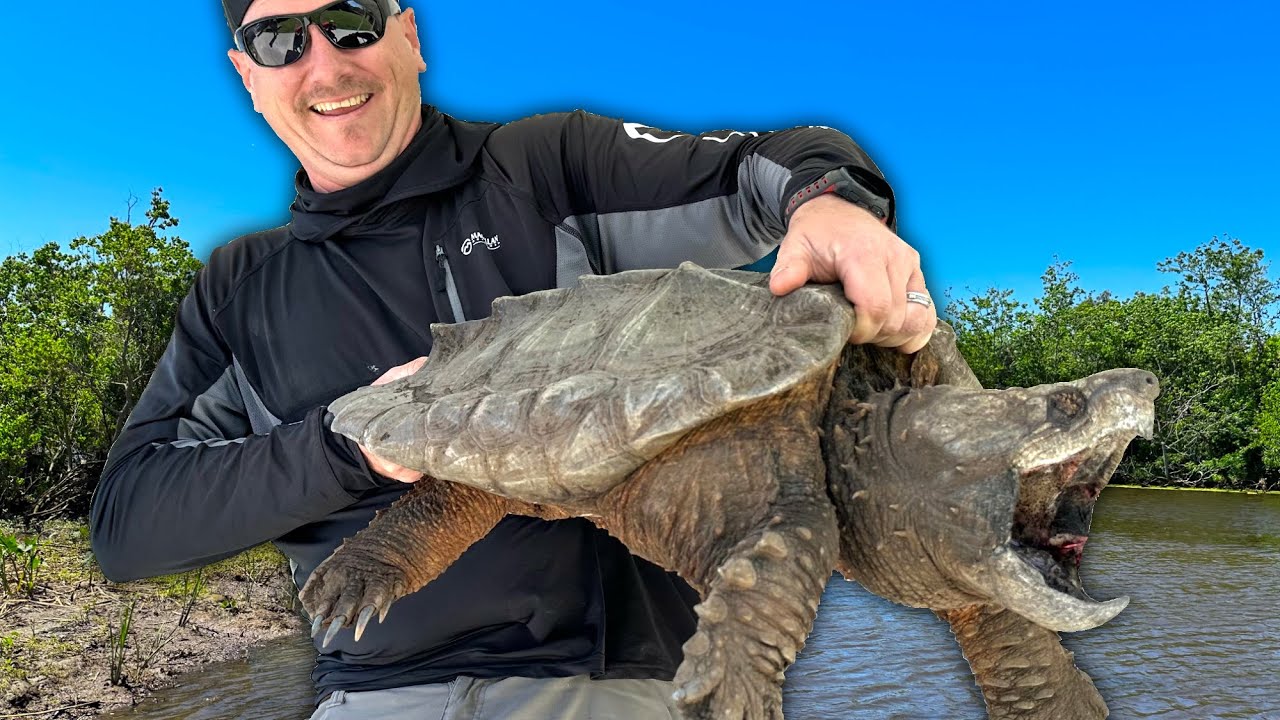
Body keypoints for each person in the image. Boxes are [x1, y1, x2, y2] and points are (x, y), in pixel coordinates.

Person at [90, 0, 937, 717]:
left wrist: (836, 207)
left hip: (608, 684)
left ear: (408, 36)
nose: (324, 63)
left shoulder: (545, 169)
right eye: (283, 40)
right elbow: (129, 528)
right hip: (371, 693)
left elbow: (772, 161)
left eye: (350, 21)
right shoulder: (243, 286)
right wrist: (351, 447)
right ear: (248, 73)